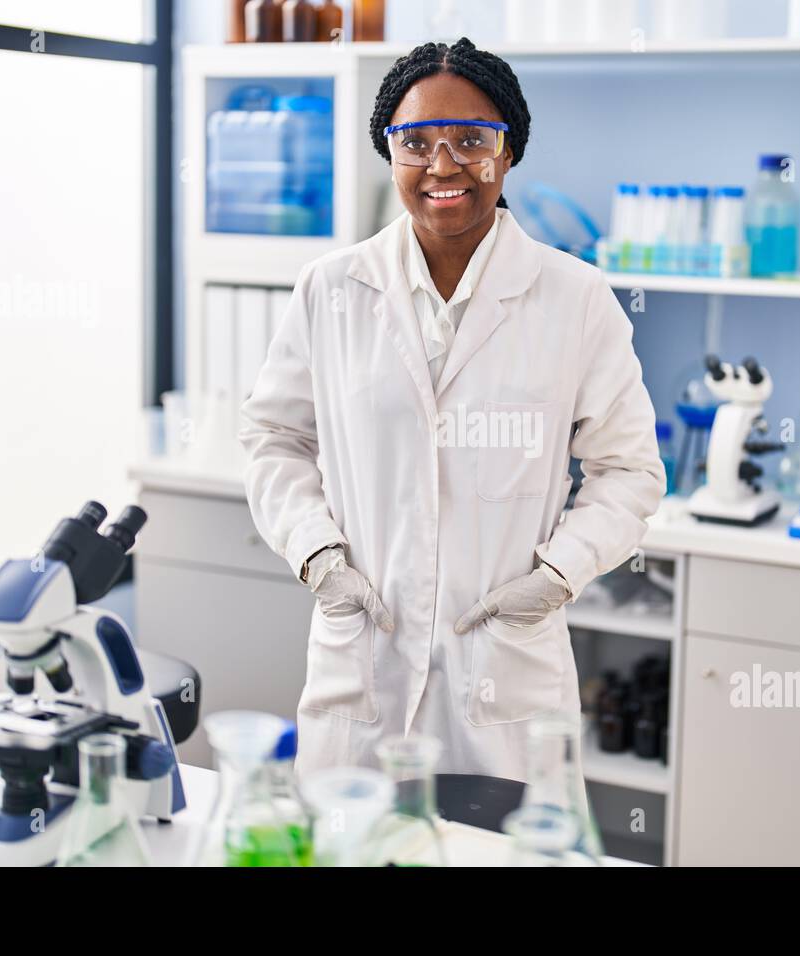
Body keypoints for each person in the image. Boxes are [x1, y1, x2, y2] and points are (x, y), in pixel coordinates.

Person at [239, 38, 664, 781]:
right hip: (363, 659)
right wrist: (317, 556)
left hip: (505, 670)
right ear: (390, 154)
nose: (443, 164)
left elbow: (628, 470)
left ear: (508, 153)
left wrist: (557, 576)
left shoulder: (575, 297)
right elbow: (273, 437)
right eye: (416, 143)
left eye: (472, 139)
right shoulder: (331, 288)